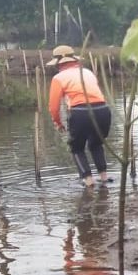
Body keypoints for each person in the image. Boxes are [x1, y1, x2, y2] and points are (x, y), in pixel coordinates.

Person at [47, 45, 112, 187]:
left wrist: (58, 123)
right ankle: (104, 177)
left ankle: (88, 181)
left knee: (76, 147)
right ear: (74, 60)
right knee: (96, 144)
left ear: (59, 64)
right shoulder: (87, 72)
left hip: (81, 112)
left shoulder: (58, 78)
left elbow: (53, 107)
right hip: (103, 110)